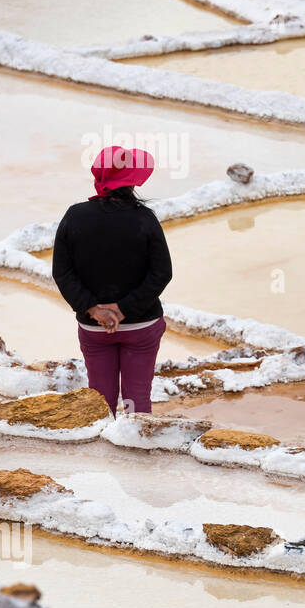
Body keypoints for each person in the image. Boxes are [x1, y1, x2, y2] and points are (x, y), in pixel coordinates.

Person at [52, 145, 172, 416]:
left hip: (95, 328)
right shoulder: (145, 219)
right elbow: (161, 273)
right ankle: (137, 450)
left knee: (101, 400)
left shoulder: (75, 216)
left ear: (99, 177)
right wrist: (123, 309)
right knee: (137, 400)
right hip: (142, 325)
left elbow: (62, 272)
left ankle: (101, 453)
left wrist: (96, 310)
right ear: (133, 180)